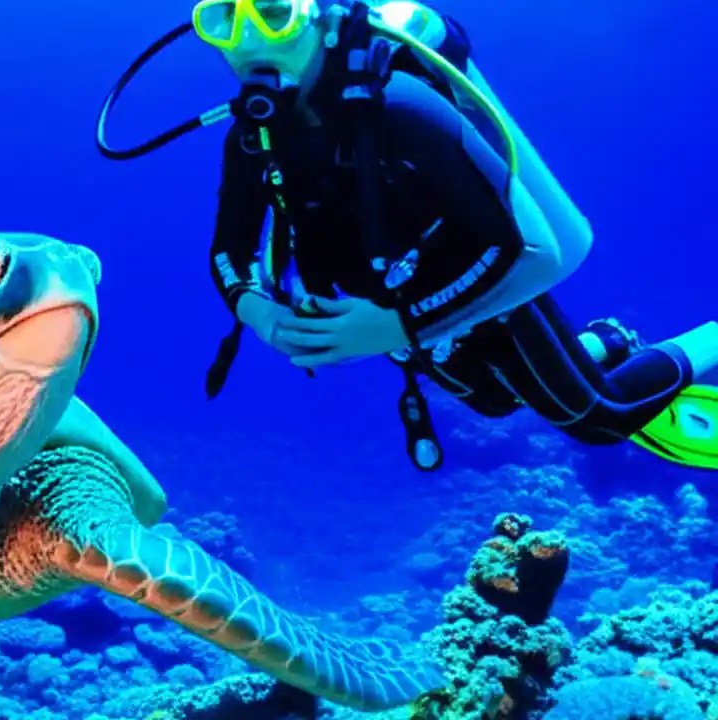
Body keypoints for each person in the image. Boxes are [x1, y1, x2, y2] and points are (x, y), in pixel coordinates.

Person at [95, 0, 718, 471]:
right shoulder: (251, 137)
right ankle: (605, 341)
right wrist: (259, 313)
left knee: (598, 420)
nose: (247, 40)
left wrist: (398, 326)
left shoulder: (400, 107)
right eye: (222, 21)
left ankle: (702, 340)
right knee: (497, 404)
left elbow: (527, 248)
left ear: (324, 20)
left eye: (275, 13)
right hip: (395, 315)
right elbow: (228, 252)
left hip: (485, 291)